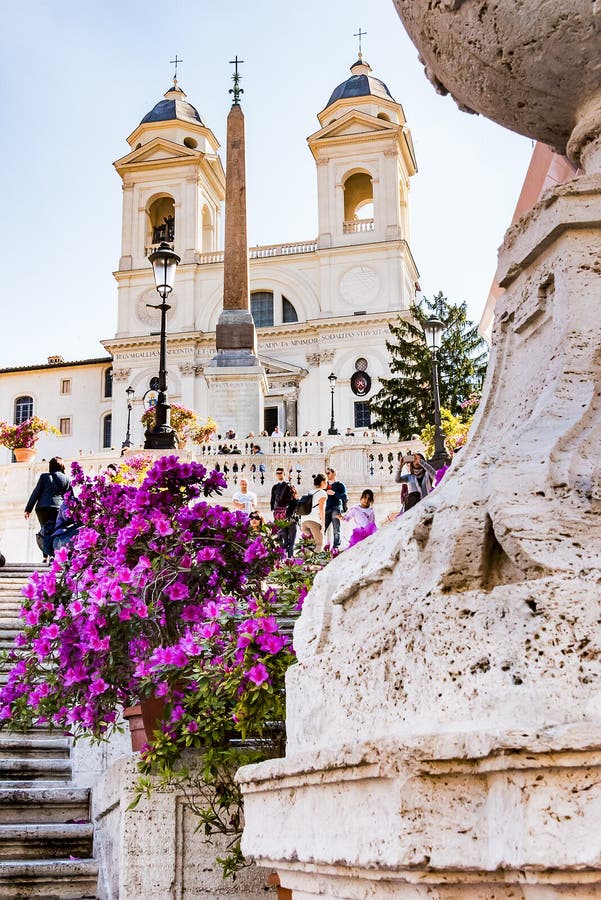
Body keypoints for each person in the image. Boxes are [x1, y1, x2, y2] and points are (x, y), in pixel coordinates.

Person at [24, 457, 70, 562]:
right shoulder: (66, 479)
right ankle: (52, 555)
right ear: (62, 466)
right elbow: (69, 496)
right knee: (55, 531)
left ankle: (45, 556)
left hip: (42, 508)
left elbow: (36, 493)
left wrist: (28, 509)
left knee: (45, 530)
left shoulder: (44, 477)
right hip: (57, 508)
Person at [301, 474, 327, 552]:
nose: (327, 484)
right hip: (314, 521)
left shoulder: (309, 492)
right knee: (319, 544)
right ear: (322, 482)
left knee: (309, 546)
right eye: (326, 482)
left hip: (304, 521)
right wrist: (323, 524)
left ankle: (304, 562)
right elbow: (321, 509)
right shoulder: (322, 493)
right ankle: (318, 563)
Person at [324, 467, 347, 550]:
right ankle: (319, 547)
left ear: (334, 474)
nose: (326, 475)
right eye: (326, 473)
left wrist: (334, 493)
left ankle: (335, 547)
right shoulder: (325, 485)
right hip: (326, 509)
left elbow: (345, 496)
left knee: (336, 528)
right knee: (322, 528)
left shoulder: (340, 485)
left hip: (336, 508)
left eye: (328, 473)